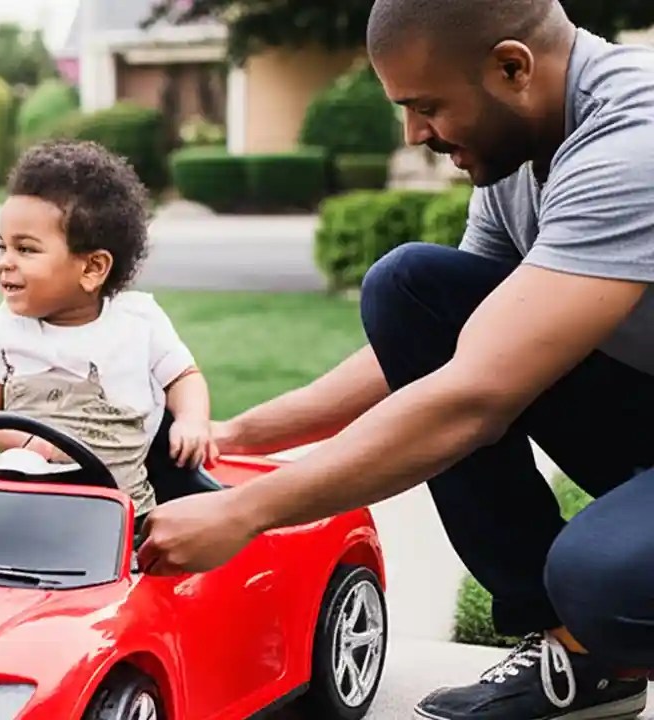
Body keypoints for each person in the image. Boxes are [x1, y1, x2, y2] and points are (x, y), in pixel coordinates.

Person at [135, 0, 654, 718]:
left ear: (512, 67)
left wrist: (250, 513)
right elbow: (445, 346)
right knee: (410, 286)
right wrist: (235, 437)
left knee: (609, 583)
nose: (415, 134)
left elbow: (473, 397)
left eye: (428, 106)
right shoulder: (517, 150)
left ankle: (596, 621)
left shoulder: (631, 146)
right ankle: (579, 658)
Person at [0, 139, 215, 524]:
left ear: (92, 268)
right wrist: (33, 447)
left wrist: (193, 420)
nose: (4, 264)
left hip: (122, 512)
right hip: (28, 503)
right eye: (1, 247)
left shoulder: (138, 320)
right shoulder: (2, 329)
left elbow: (183, 377)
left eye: (25, 250)